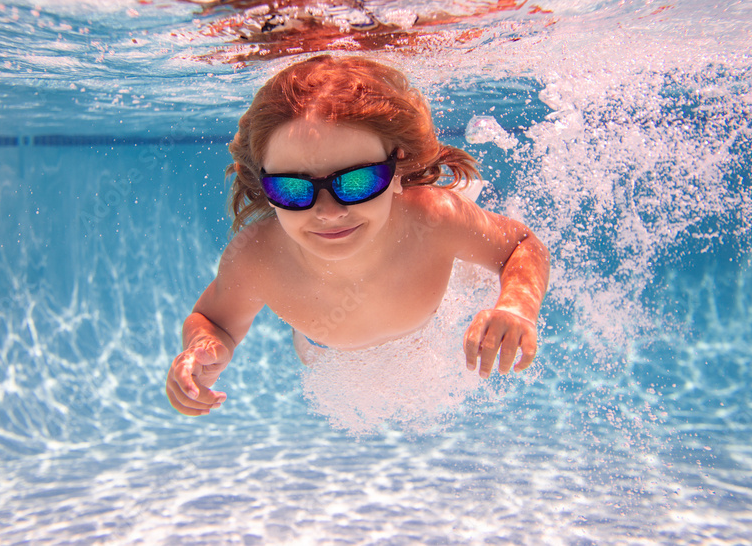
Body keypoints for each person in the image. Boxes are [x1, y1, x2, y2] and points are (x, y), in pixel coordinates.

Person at [166, 55, 550, 416]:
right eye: (292, 189)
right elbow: (213, 319)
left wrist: (516, 306)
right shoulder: (256, 257)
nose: (329, 213)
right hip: (325, 354)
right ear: (264, 187)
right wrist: (202, 349)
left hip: (429, 333)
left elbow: (521, 245)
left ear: (397, 167)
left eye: (358, 180)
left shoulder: (435, 217)